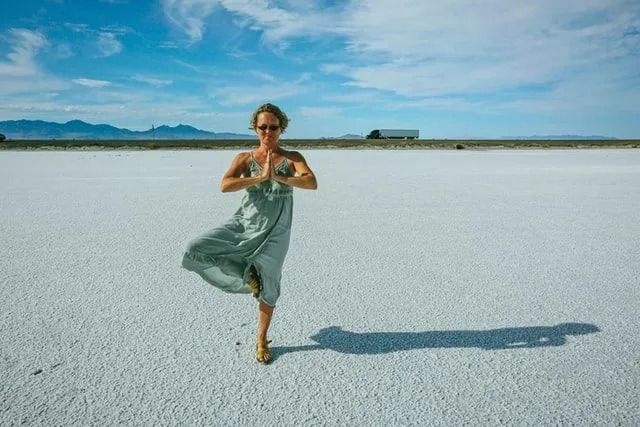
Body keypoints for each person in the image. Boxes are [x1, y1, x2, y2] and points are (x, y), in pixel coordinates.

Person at [182, 103, 317, 364]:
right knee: (196, 248)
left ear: (282, 128)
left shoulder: (293, 157)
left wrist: (281, 177)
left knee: (270, 283)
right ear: (255, 128)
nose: (268, 132)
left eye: (273, 127)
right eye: (262, 127)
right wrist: (259, 177)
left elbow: (311, 182)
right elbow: (225, 185)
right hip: (245, 223)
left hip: (277, 230)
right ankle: (247, 273)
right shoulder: (244, 158)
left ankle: (261, 339)